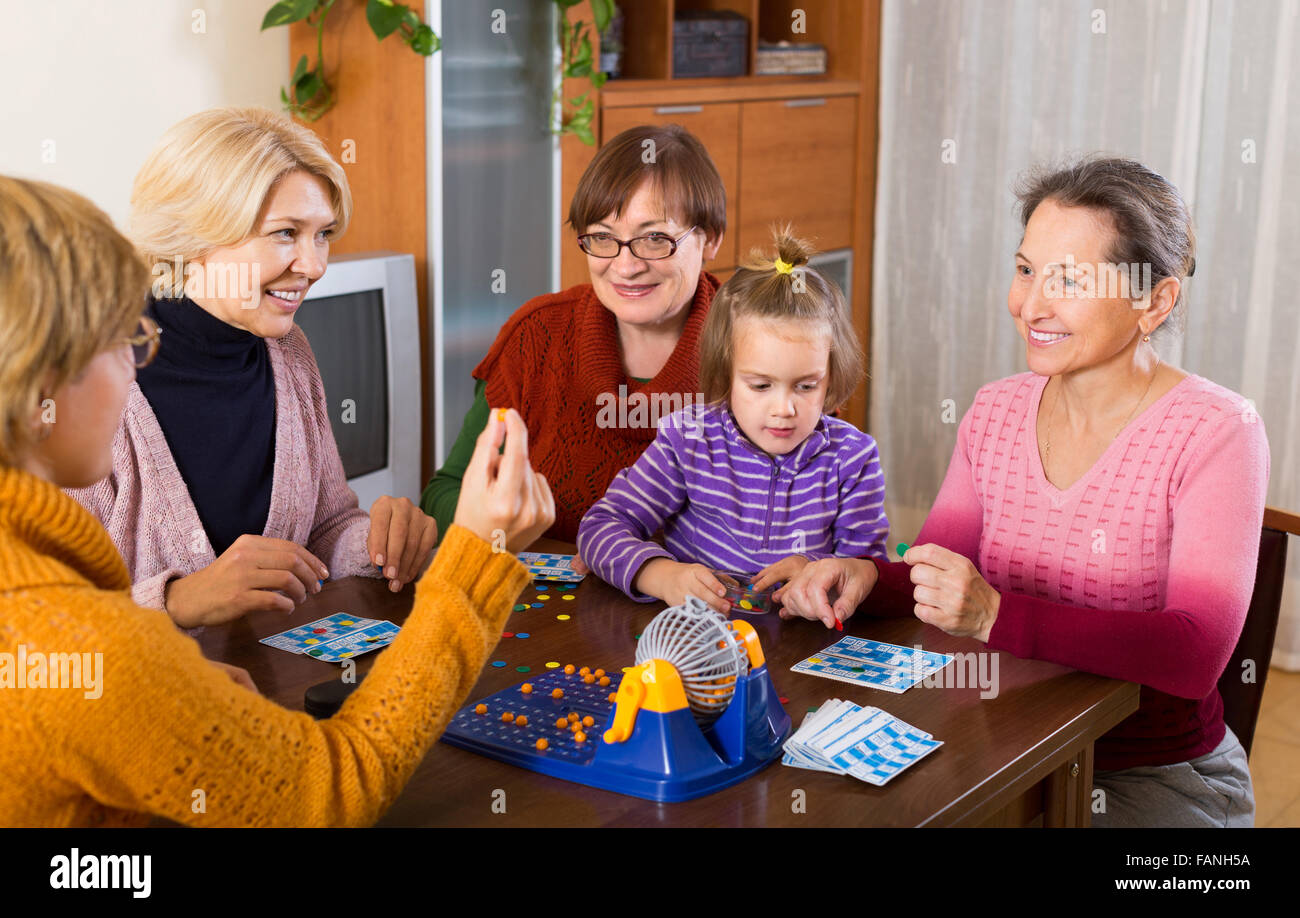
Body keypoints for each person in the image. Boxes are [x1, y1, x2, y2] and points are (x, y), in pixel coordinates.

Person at [0, 175, 555, 826]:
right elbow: (328, 792)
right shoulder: (84, 649)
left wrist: (171, 688)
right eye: (121, 343)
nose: (133, 366)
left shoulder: (288, 355)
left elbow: (327, 522)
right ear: (40, 384)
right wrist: (476, 564)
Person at [776, 157, 1267, 828]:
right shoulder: (996, 410)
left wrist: (994, 617)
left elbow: (1192, 652)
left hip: (1149, 778)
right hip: (1001, 744)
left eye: (1069, 279)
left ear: (1155, 301)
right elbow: (941, 575)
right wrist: (861, 576)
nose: (1030, 305)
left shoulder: (1217, 431)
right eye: (1027, 269)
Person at [67, 108, 438, 632]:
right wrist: (176, 601)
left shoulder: (288, 352)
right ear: (194, 238)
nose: (313, 266)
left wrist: (378, 542)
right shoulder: (83, 379)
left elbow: (324, 528)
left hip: (259, 693)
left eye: (323, 234)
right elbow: (32, 626)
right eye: (285, 233)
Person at [420, 123, 726, 544]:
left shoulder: (762, 339)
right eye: (603, 237)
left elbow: (835, 492)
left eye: (654, 238)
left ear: (710, 240)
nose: (625, 265)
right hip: (548, 609)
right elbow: (445, 491)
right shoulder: (538, 336)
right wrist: (495, 524)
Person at [577, 230, 889, 611]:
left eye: (806, 386)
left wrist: (821, 574)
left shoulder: (853, 458)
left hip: (800, 652)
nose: (784, 408)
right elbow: (601, 526)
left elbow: (868, 575)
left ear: (831, 375)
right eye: (760, 385)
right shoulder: (689, 440)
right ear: (725, 374)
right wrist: (661, 575)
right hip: (695, 644)